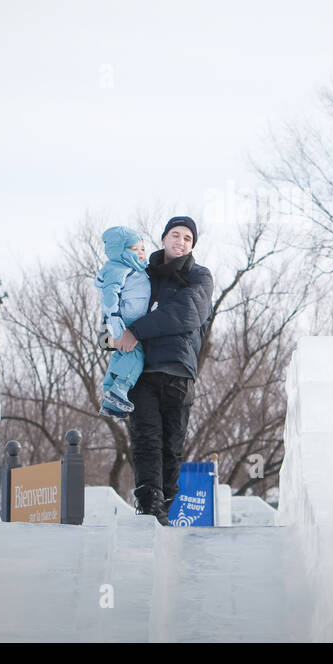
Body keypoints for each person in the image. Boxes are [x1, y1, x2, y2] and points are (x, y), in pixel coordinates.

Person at [111, 216, 213, 525]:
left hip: (178, 370)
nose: (180, 241)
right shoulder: (142, 275)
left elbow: (186, 313)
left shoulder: (199, 275)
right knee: (146, 438)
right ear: (164, 238)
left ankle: (166, 504)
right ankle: (148, 503)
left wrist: (137, 331)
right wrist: (113, 336)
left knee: (172, 443)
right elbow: (121, 309)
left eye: (187, 238)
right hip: (141, 369)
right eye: (175, 234)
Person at [93, 226, 150, 419]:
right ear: (121, 251)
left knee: (121, 355)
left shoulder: (136, 269)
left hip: (129, 321)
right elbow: (111, 294)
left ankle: (110, 394)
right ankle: (120, 388)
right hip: (124, 322)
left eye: (143, 248)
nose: (141, 253)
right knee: (134, 356)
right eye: (135, 249)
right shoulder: (119, 269)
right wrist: (115, 321)